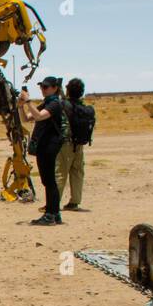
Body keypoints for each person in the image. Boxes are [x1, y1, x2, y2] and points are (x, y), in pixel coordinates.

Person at [19, 75, 69, 225]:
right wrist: (21, 106)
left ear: (55, 88)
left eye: (46, 87)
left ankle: (51, 214)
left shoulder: (55, 104)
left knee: (49, 180)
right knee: (47, 180)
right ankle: (54, 213)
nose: (43, 89)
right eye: (41, 86)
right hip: (44, 145)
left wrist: (28, 101)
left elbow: (39, 117)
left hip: (50, 144)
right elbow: (27, 118)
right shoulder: (46, 103)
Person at [60, 77, 95, 211]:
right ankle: (75, 201)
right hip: (79, 144)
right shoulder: (82, 107)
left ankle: (54, 203)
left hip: (66, 144)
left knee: (61, 173)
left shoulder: (65, 105)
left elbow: (63, 104)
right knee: (77, 172)